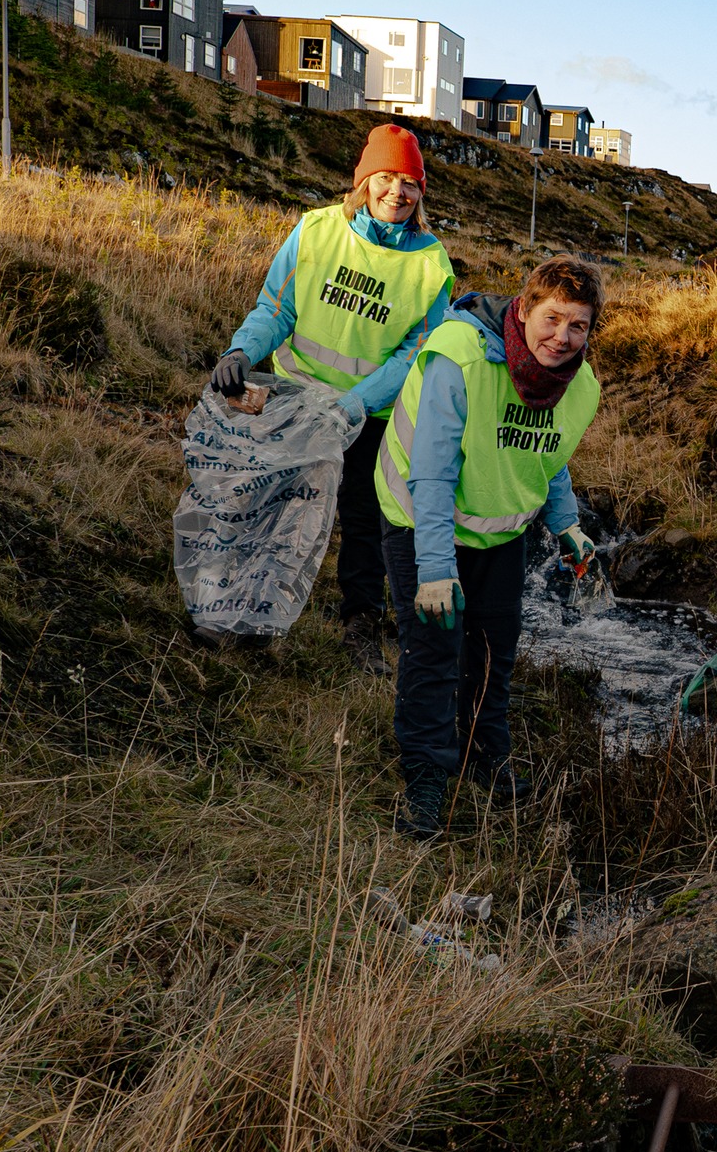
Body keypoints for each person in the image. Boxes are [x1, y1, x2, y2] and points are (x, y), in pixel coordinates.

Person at [210, 124, 455, 675]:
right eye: (386, 178)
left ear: (421, 193)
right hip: (295, 398)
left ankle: (361, 626)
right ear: (364, 182)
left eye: (411, 183)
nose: (398, 192)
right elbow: (276, 308)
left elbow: (412, 356)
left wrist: (357, 404)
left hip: (370, 418)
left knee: (364, 523)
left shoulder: (431, 265)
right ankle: (240, 611)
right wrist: (241, 352)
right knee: (270, 500)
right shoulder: (316, 231)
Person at [375, 258, 603, 838]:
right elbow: (431, 471)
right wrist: (434, 569)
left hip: (498, 531)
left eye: (578, 326)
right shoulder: (462, 358)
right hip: (421, 517)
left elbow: (546, 457)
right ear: (524, 311)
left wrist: (568, 525)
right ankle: (427, 777)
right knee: (434, 650)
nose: (562, 338)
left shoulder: (577, 385)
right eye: (552, 319)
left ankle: (485, 757)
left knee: (494, 649)